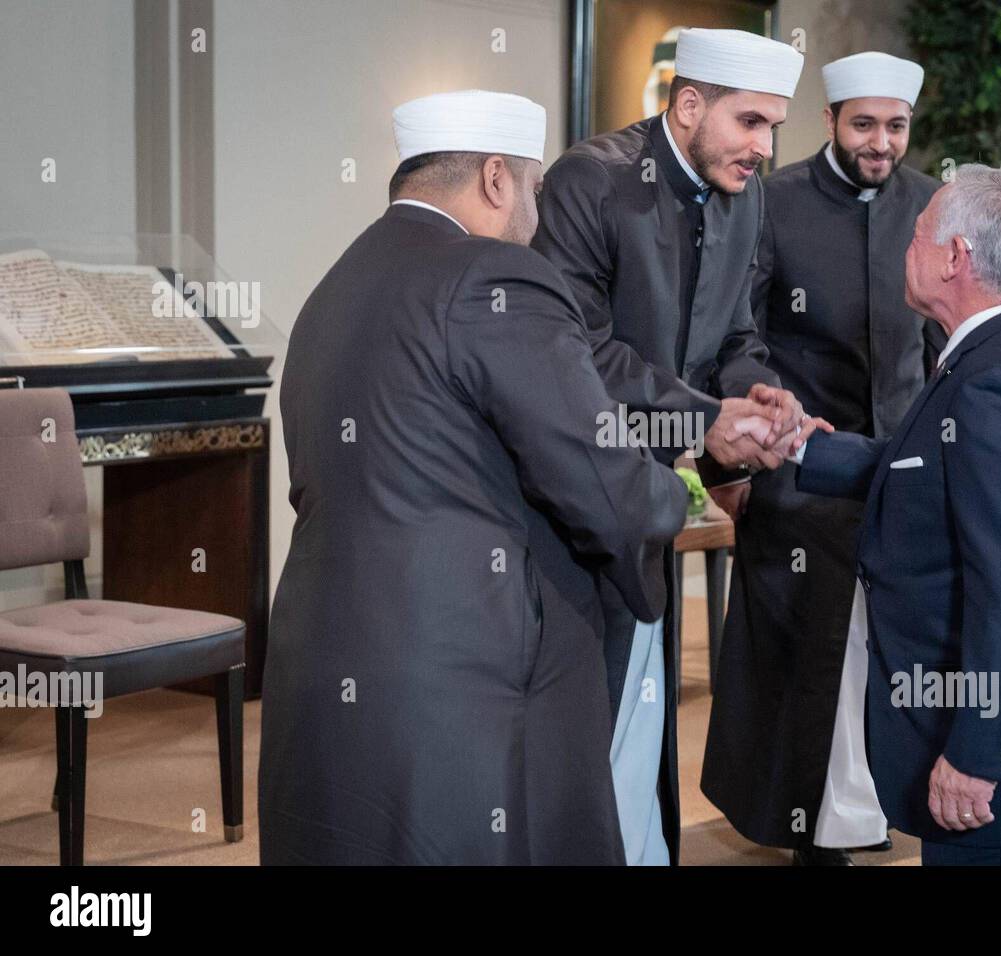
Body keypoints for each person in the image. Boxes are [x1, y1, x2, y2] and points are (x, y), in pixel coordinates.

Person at [258, 90, 689, 864]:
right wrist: (671, 494)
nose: (538, 214)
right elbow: (600, 479)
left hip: (322, 660)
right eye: (534, 189)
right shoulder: (499, 277)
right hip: (470, 680)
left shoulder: (331, 288)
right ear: (497, 178)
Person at [793, 164, 1001, 865]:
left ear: (955, 258)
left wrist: (978, 753)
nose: (905, 250)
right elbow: (939, 470)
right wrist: (800, 450)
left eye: (917, 235)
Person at [532, 27, 813, 865]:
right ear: (688, 105)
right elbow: (579, 347)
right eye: (750, 123)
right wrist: (704, 419)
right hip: (580, 482)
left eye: (774, 128)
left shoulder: (745, 192)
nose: (764, 148)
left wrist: (757, 394)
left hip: (659, 490)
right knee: (597, 698)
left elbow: (735, 333)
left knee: (643, 699)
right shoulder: (591, 180)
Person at [702, 51, 940, 865]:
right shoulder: (773, 201)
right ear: (832, 122)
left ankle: (874, 808)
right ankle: (814, 827)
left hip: (903, 470)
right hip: (803, 467)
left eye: (896, 126)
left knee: (889, 645)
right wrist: (754, 433)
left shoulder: (933, 205)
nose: (881, 142)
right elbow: (736, 333)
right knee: (813, 658)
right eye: (865, 124)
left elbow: (947, 338)